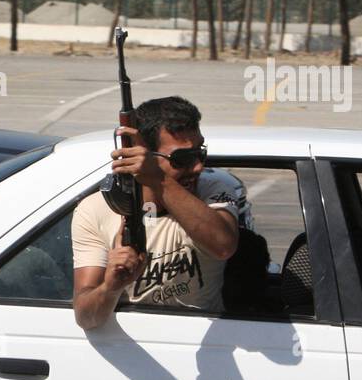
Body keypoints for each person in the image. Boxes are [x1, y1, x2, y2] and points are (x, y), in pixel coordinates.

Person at [72, 96, 240, 329]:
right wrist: (110, 288)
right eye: (182, 159)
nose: (198, 167)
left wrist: (159, 180)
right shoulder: (94, 211)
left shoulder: (214, 187)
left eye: (199, 153)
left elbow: (222, 245)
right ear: (141, 156)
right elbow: (86, 318)